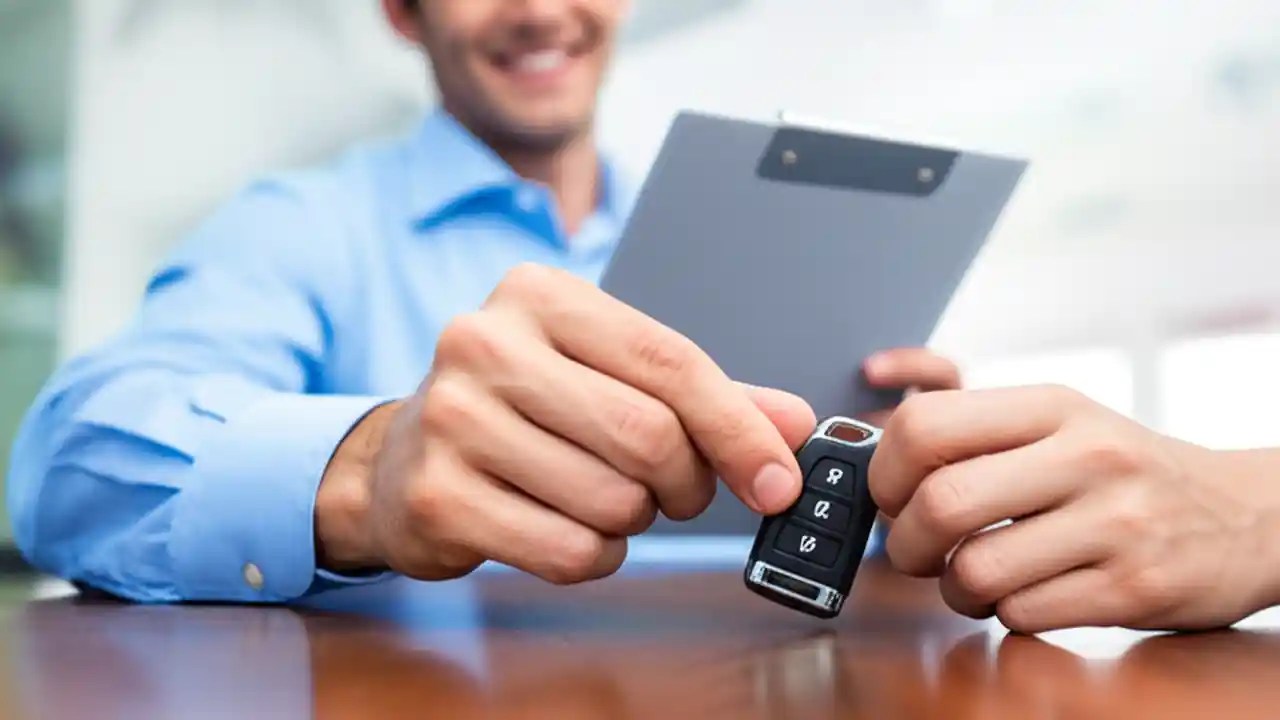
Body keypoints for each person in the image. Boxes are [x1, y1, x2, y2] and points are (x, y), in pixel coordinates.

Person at [8, 1, 1277, 634]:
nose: (537, 9)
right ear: (401, 12)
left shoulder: (740, 232)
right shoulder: (304, 223)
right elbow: (71, 464)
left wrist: (898, 492)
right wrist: (366, 469)